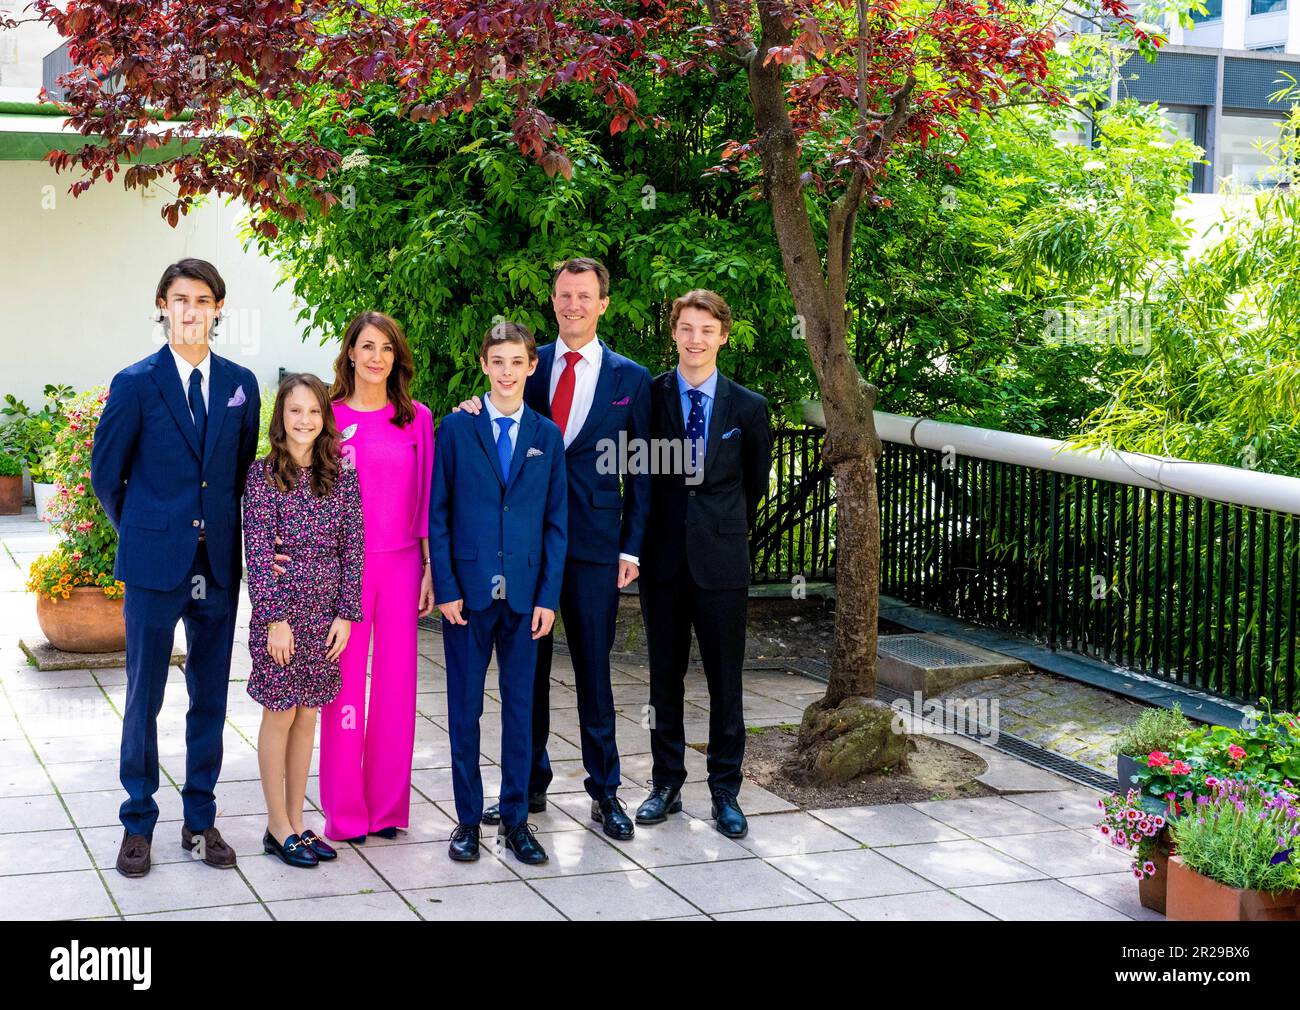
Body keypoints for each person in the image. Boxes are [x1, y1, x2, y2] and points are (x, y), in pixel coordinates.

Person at [459, 258, 650, 842]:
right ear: (554, 301)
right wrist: (472, 408)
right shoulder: (528, 363)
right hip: (528, 548)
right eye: (563, 295)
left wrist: (632, 550)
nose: (572, 305)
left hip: (595, 548)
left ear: (602, 304)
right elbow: (498, 413)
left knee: (595, 671)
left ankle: (605, 791)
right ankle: (529, 784)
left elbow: (642, 474)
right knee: (528, 673)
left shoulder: (631, 378)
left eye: (583, 296)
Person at [90, 258, 261, 877]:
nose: (191, 310)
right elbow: (106, 476)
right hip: (153, 565)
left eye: (203, 300)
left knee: (209, 696)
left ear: (219, 308)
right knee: (144, 697)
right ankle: (138, 821)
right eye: (179, 299)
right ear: (162, 305)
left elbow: (239, 475)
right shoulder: (135, 382)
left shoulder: (241, 384)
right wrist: (146, 532)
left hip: (217, 564)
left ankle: (200, 818)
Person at [276, 312, 436, 844]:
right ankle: (345, 814)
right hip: (339, 571)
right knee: (341, 690)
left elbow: (429, 498)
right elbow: (297, 486)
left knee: (396, 689)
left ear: (397, 358)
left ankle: (388, 808)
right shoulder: (329, 415)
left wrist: (431, 568)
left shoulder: (417, 419)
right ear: (349, 354)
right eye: (366, 346)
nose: (376, 357)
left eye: (387, 348)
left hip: (401, 566)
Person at [634, 290, 773, 839]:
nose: (696, 339)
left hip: (721, 564)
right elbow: (639, 471)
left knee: (725, 682)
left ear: (723, 337)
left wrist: (718, 527)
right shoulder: (651, 396)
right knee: (663, 680)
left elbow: (755, 484)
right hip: (663, 562)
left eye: (706, 330)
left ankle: (725, 791)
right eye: (686, 328)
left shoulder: (747, 407)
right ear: (674, 333)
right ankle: (665, 784)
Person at [430, 322, 568, 865]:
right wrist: (445, 586)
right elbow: (438, 513)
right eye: (498, 361)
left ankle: (516, 821)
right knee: (464, 711)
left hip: (526, 597)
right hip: (467, 595)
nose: (508, 371)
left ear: (532, 367)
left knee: (520, 711)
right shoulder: (456, 429)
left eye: (518, 362)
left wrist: (548, 597)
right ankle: (467, 821)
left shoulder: (546, 436)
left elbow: (557, 523)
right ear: (484, 365)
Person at [243, 374, 364, 868]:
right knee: (282, 712)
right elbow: (257, 549)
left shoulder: (341, 474)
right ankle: (275, 825)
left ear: (325, 418)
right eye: (295, 411)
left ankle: (296, 822)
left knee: (309, 714)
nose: (305, 420)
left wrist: (346, 614)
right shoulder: (262, 476)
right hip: (282, 617)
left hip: (325, 616)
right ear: (281, 417)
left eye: (314, 411)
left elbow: (353, 547)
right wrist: (274, 618)